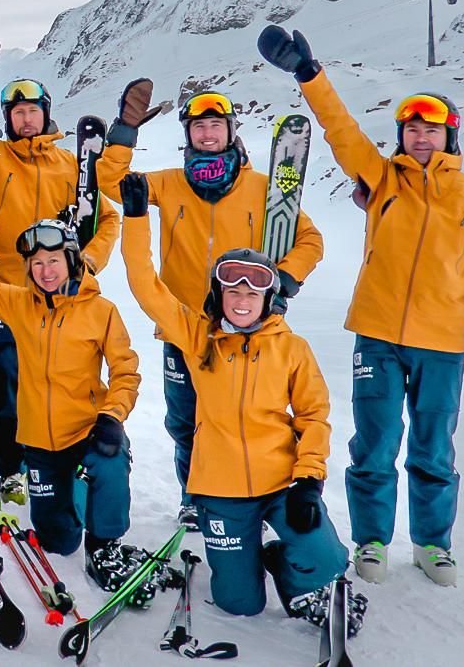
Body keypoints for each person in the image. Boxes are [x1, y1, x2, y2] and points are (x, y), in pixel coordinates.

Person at [259, 25, 464, 587]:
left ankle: (432, 545)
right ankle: (370, 540)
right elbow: (340, 130)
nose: (420, 138)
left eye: (431, 129)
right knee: (373, 445)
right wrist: (310, 73)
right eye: (410, 129)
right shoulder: (381, 180)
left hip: (442, 345)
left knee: (433, 451)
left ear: (451, 138)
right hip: (377, 335)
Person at [119, 171, 365, 635]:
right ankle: (254, 560)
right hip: (221, 488)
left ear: (268, 298)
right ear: (219, 296)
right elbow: (144, 284)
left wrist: (308, 479)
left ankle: (295, 575)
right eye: (233, 290)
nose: (242, 299)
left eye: (253, 292)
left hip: (280, 483)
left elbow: (314, 418)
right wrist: (135, 218)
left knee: (324, 556)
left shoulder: (291, 348)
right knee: (239, 605)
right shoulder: (197, 339)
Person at [95, 78, 325, 530]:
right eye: (198, 127)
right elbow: (109, 183)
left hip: (245, 330)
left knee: (244, 418)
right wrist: (124, 132)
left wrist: (281, 280)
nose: (206, 134)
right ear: (187, 135)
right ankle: (193, 495)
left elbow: (309, 239)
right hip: (183, 325)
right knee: (185, 421)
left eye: (215, 125)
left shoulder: (263, 188)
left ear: (231, 130)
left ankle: (254, 497)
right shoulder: (169, 183)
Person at [0, 28, 118, 502]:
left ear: (46, 114)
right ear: (9, 119)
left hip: (64, 297)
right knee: (8, 377)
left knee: (66, 381)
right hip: (2, 291)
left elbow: (107, 218)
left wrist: (89, 262)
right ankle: (10, 467)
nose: (26, 118)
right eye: (18, 112)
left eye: (33, 110)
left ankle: (66, 457)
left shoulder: (70, 165)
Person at [0, 218, 145, 589]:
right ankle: (73, 499)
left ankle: (104, 543)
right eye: (37, 263)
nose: (46, 271)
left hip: (88, 431)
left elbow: (126, 371)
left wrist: (112, 416)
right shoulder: (19, 303)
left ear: (71, 259)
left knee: (110, 459)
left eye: (54, 260)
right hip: (40, 443)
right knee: (57, 541)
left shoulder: (101, 311)